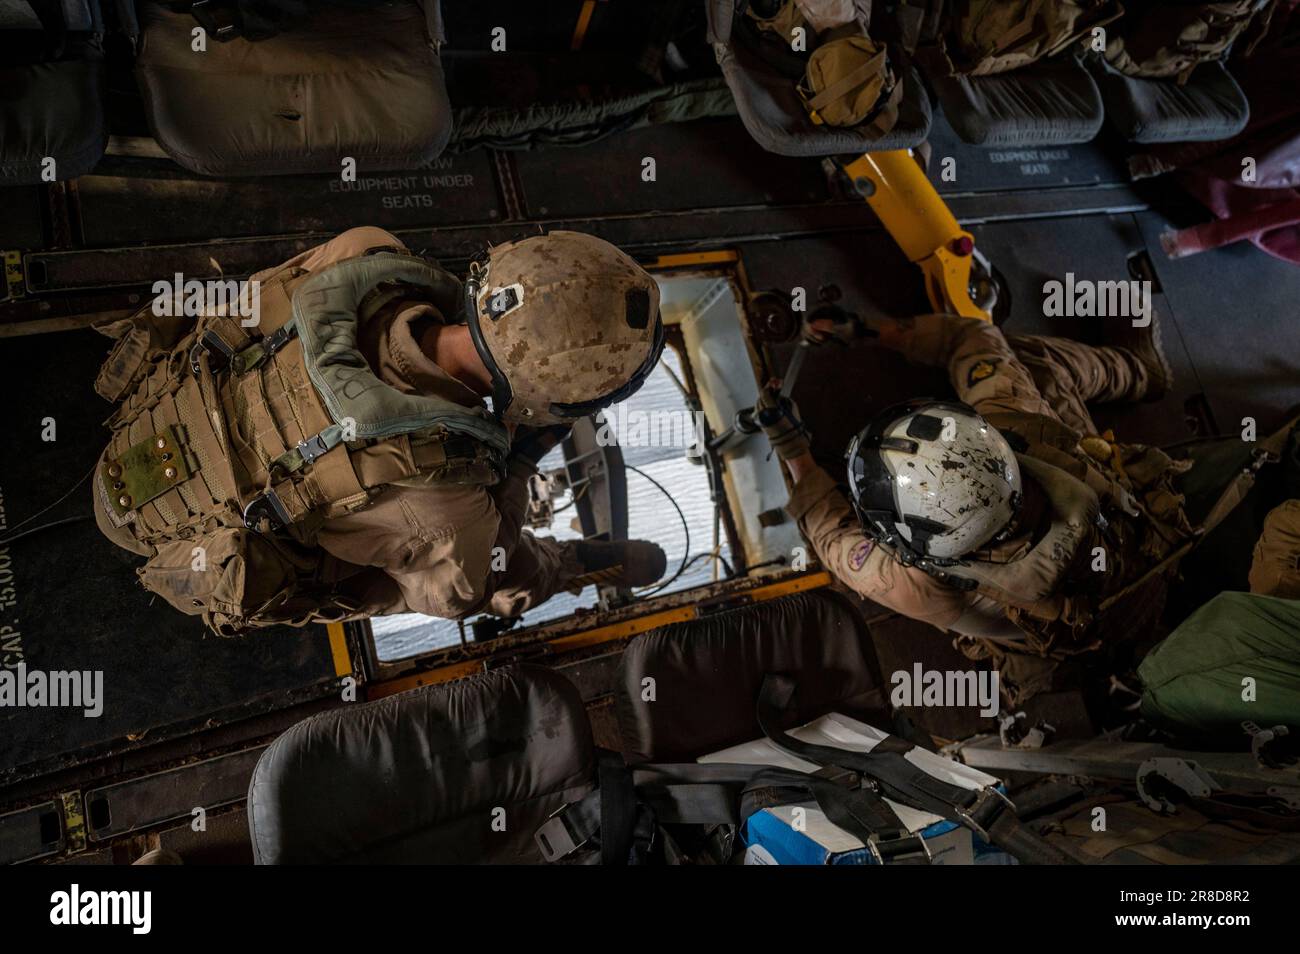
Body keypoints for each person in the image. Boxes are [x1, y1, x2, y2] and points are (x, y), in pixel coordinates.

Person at [92, 227, 667, 632]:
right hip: (171, 539)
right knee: (491, 575)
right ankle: (559, 568)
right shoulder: (451, 512)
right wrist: (516, 467)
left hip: (136, 431)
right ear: (551, 407)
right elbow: (451, 598)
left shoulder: (366, 250)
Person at [763, 308, 1226, 705]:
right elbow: (974, 336)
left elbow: (833, 539)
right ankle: (1138, 371)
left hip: (1087, 640)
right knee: (1028, 362)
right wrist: (867, 328)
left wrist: (794, 452)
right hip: (1151, 561)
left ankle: (1144, 371)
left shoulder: (918, 583)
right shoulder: (1014, 423)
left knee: (1030, 360)